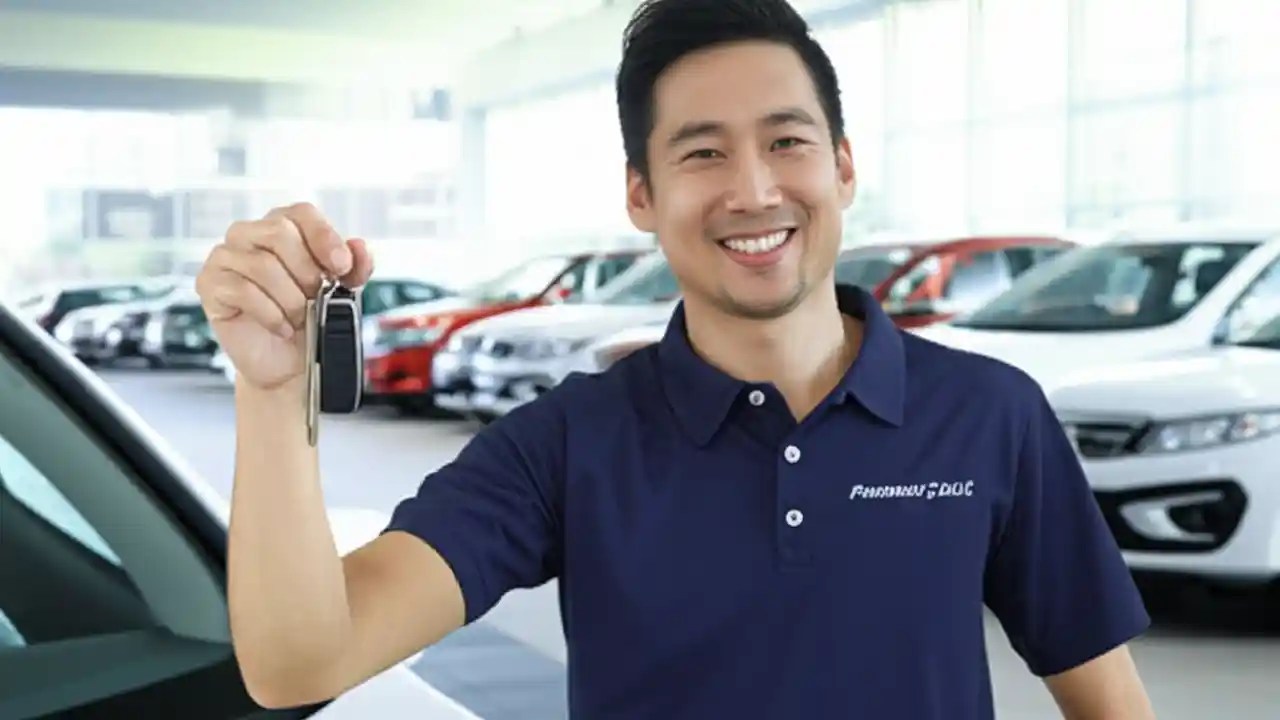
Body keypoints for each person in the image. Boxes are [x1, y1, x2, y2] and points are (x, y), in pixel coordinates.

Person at [196, 0, 1156, 717]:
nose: (753, 188)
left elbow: (1107, 699)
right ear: (640, 194)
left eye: (787, 140)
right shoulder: (568, 447)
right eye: (702, 154)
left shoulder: (989, 414)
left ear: (843, 167)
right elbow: (299, 664)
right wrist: (273, 392)